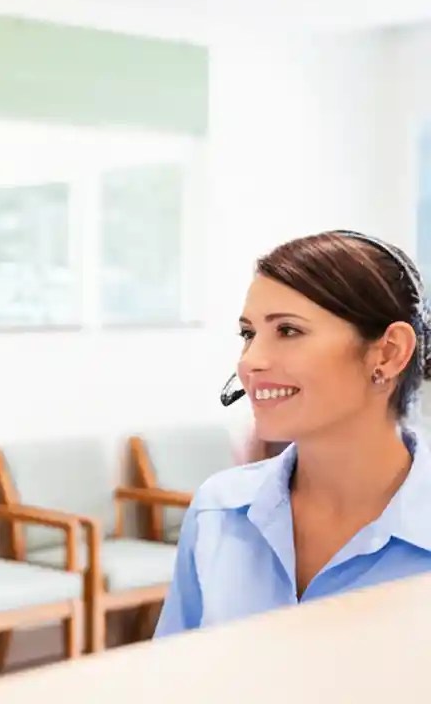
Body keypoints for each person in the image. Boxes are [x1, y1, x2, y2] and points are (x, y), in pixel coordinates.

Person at [156, 230, 431, 636]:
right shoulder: (218, 511)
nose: (251, 361)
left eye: (287, 330)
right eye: (248, 334)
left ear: (388, 353)